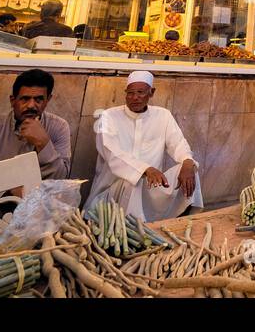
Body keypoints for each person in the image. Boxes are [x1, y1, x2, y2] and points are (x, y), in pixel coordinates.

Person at [86, 71, 201, 221]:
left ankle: (186, 221)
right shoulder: (109, 116)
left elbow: (178, 143)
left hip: (150, 188)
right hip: (113, 191)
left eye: (140, 92)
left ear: (151, 93)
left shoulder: (163, 115)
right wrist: (145, 170)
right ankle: (136, 229)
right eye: (130, 93)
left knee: (189, 169)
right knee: (133, 180)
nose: (135, 98)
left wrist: (187, 161)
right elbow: (112, 154)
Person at [0, 69, 72, 179]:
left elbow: (61, 178)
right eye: (25, 99)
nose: (31, 105)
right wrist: (10, 187)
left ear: (47, 100)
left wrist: (43, 143)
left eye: (38, 99)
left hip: (41, 198)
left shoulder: (58, 127)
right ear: (13, 100)